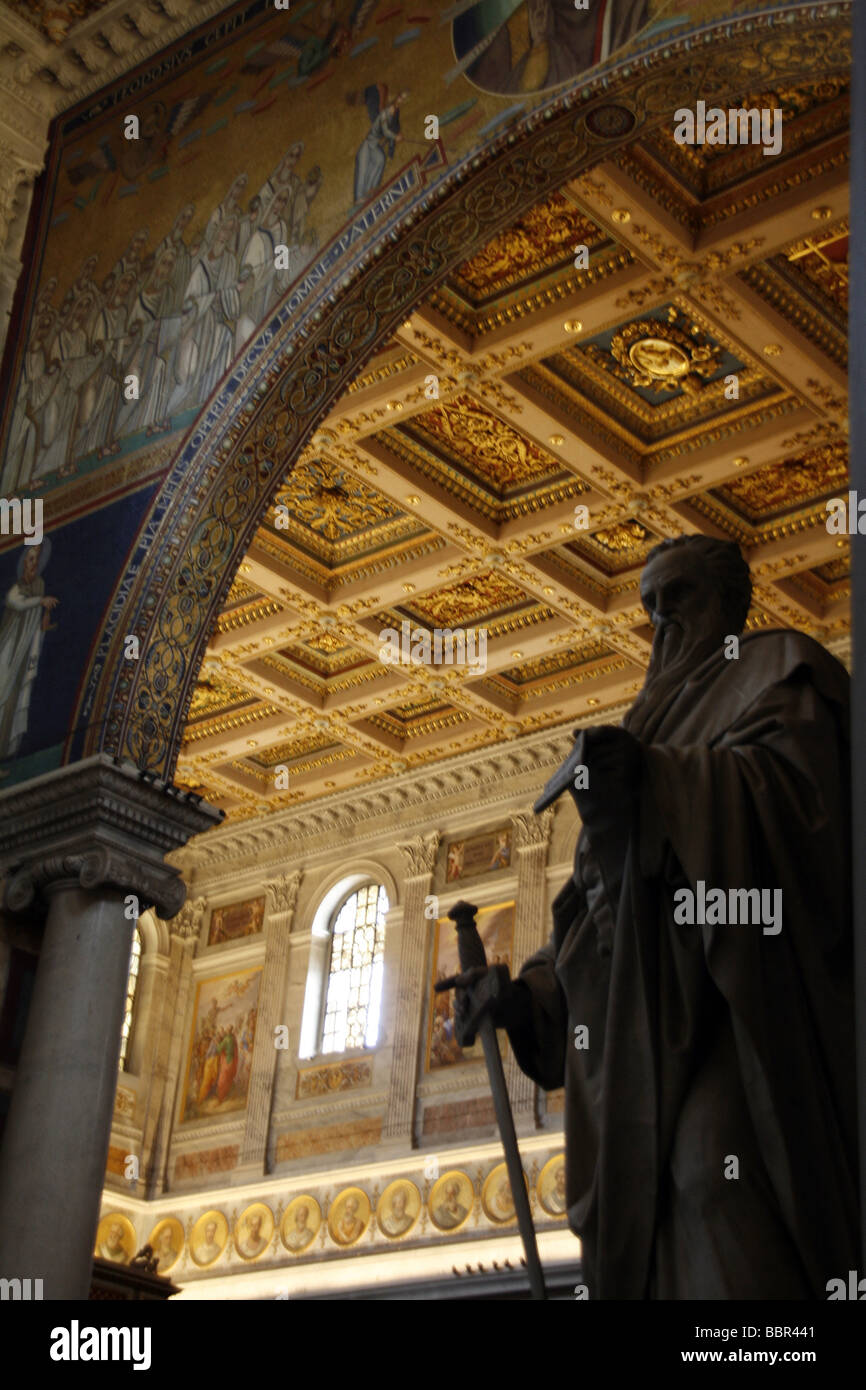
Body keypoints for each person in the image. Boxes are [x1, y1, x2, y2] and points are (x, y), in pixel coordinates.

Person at [457, 535, 858, 1299]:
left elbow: (811, 814)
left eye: (679, 596)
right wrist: (528, 996)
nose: (661, 617)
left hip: (740, 1015)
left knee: (714, 1171)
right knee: (665, 1208)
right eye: (649, 604)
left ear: (730, 602)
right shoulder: (645, 724)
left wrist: (661, 784)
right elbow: (589, 912)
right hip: (645, 1039)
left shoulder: (781, 669)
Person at [0, 542, 58, 764]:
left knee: (14, 702)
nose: (33, 564)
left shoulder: (39, 585)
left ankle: (5, 754)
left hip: (24, 654)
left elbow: (36, 624)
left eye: (36, 559)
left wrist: (43, 623)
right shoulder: (18, 587)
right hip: (7, 652)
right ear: (24, 561)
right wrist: (39, 601)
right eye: (30, 559)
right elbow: (15, 602)